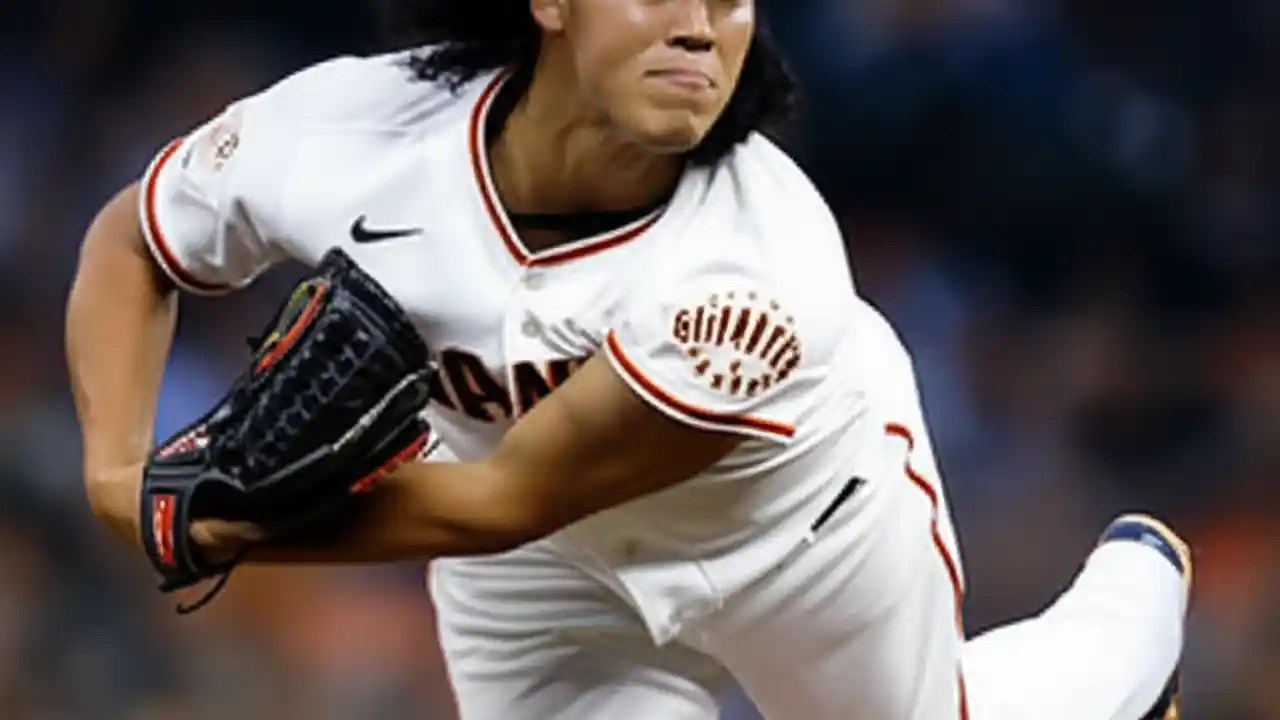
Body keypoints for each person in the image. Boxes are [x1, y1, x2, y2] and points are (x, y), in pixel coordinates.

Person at [66, 1, 1190, 718]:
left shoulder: (756, 262)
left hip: (795, 531)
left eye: (728, 1)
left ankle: (1133, 599)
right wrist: (115, 471)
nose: (702, 26)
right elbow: (133, 239)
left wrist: (213, 524)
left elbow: (506, 496)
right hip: (540, 576)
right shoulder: (358, 132)